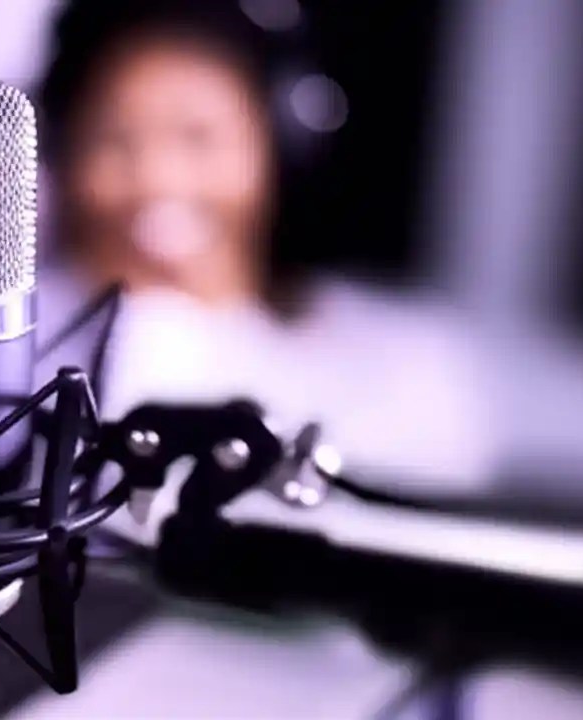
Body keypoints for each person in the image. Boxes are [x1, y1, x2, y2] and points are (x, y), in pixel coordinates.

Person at [33, 0, 494, 538]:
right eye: (114, 140)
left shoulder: (404, 370)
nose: (157, 178)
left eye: (198, 137)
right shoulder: (11, 344)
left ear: (279, 149)